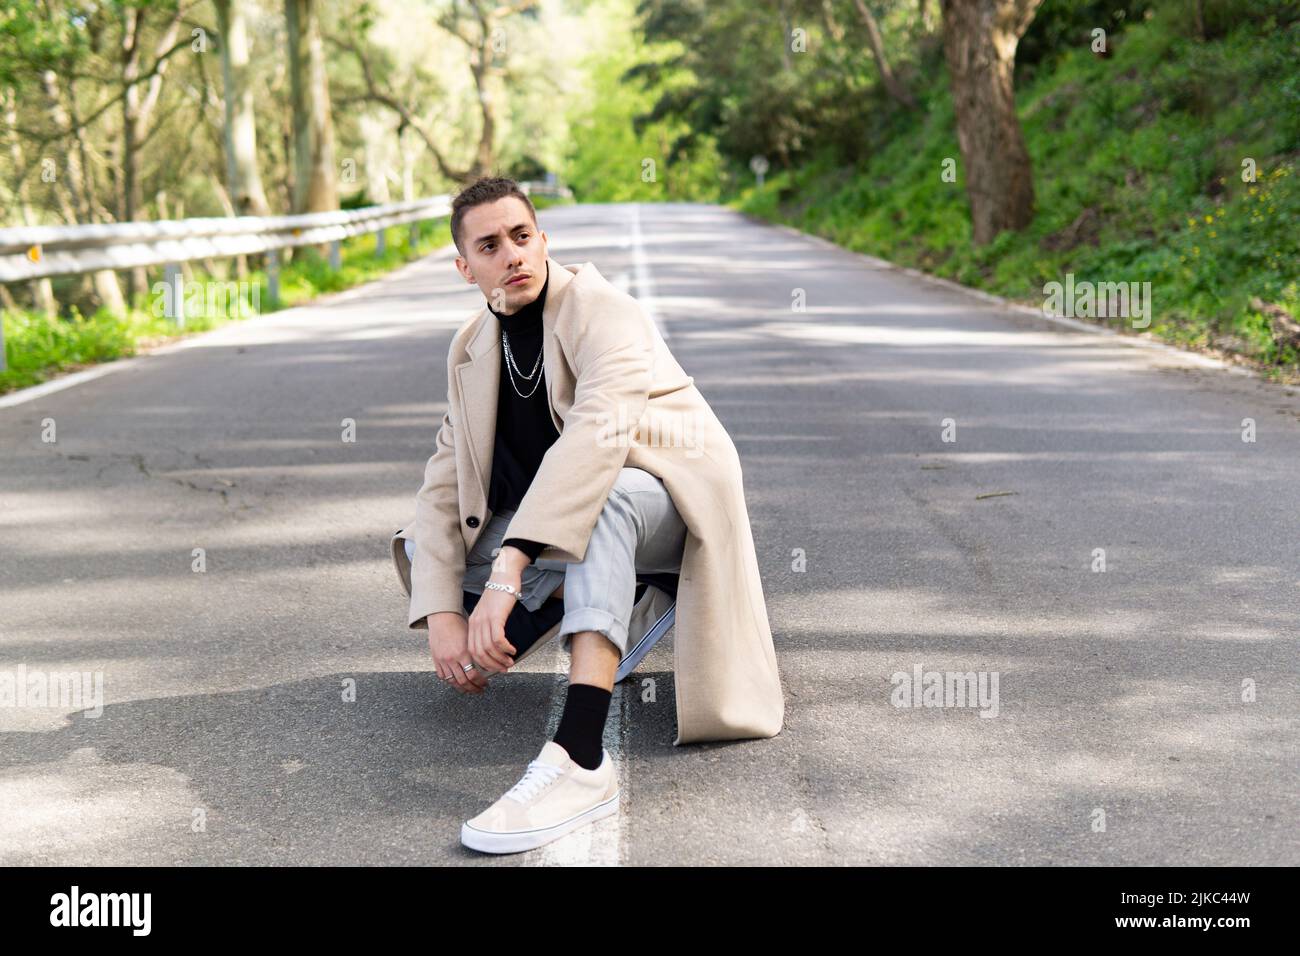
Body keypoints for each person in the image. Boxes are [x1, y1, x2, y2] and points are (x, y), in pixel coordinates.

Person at [392, 176, 784, 855]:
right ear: (466, 268)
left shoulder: (604, 311)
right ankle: (617, 593)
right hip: (574, 513)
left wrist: (510, 571)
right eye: (490, 245)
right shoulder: (470, 348)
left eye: (521, 236)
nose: (511, 254)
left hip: (670, 497)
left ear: (543, 240)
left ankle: (579, 757)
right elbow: (442, 486)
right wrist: (445, 615)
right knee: (424, 548)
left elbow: (595, 441)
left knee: (603, 504)